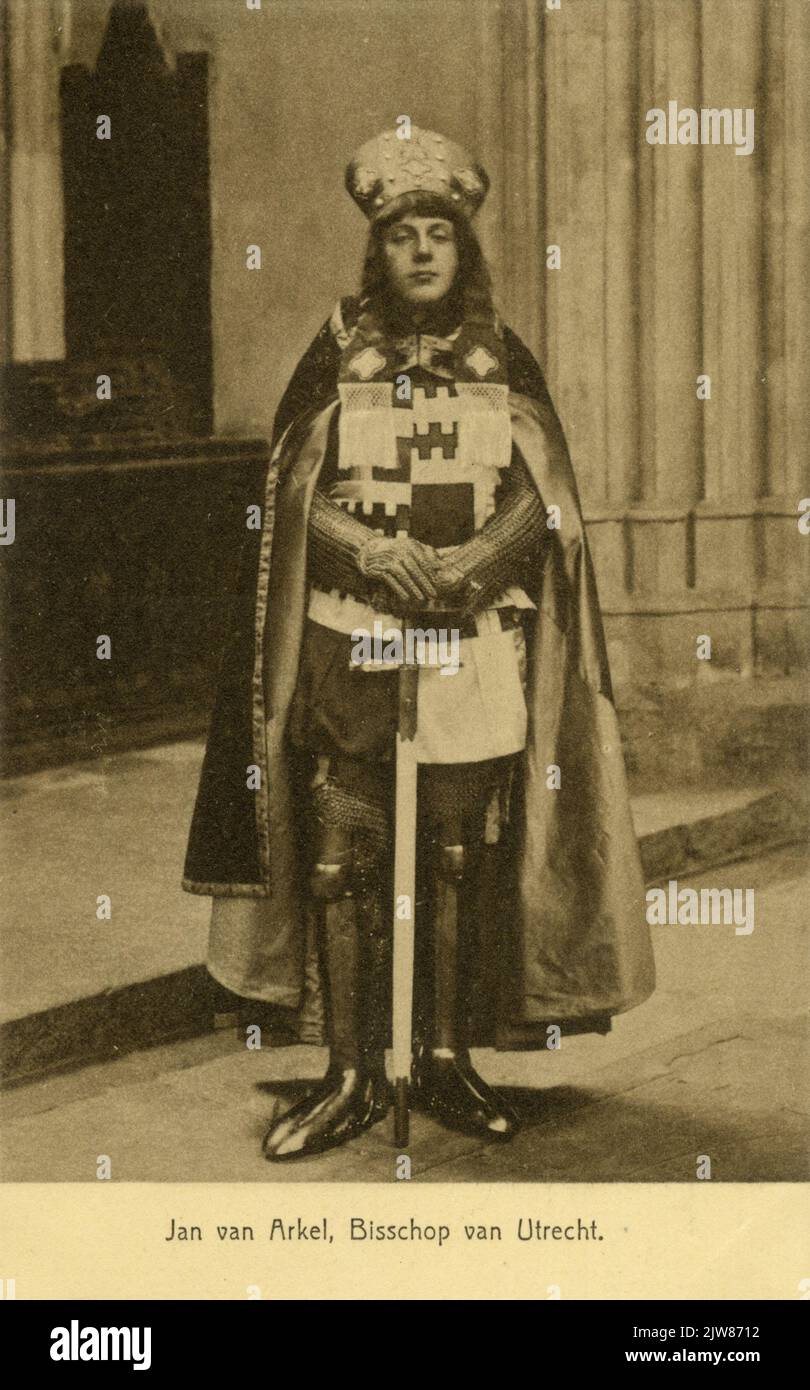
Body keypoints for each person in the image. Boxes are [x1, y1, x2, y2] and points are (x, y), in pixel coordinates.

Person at [182, 125, 655, 1162]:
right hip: (350, 639)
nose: (424, 252)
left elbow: (545, 497)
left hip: (471, 640)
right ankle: (352, 1071)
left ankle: (443, 1055)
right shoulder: (334, 346)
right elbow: (290, 494)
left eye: (439, 233)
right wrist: (363, 548)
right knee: (344, 855)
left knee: (456, 856)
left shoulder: (501, 354)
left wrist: (482, 558)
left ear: (463, 245)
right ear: (379, 251)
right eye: (404, 236)